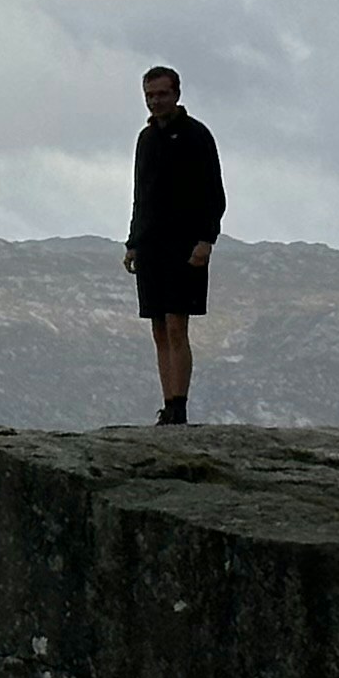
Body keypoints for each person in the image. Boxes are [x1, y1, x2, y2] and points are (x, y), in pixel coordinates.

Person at [122, 65, 224, 424]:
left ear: (176, 94)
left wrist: (206, 239)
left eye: (162, 94)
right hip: (150, 246)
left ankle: (179, 404)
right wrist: (133, 241)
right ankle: (167, 404)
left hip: (185, 244)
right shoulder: (145, 140)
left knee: (178, 324)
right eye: (150, 95)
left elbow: (214, 193)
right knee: (158, 328)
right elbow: (141, 195)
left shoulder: (197, 136)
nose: (155, 101)